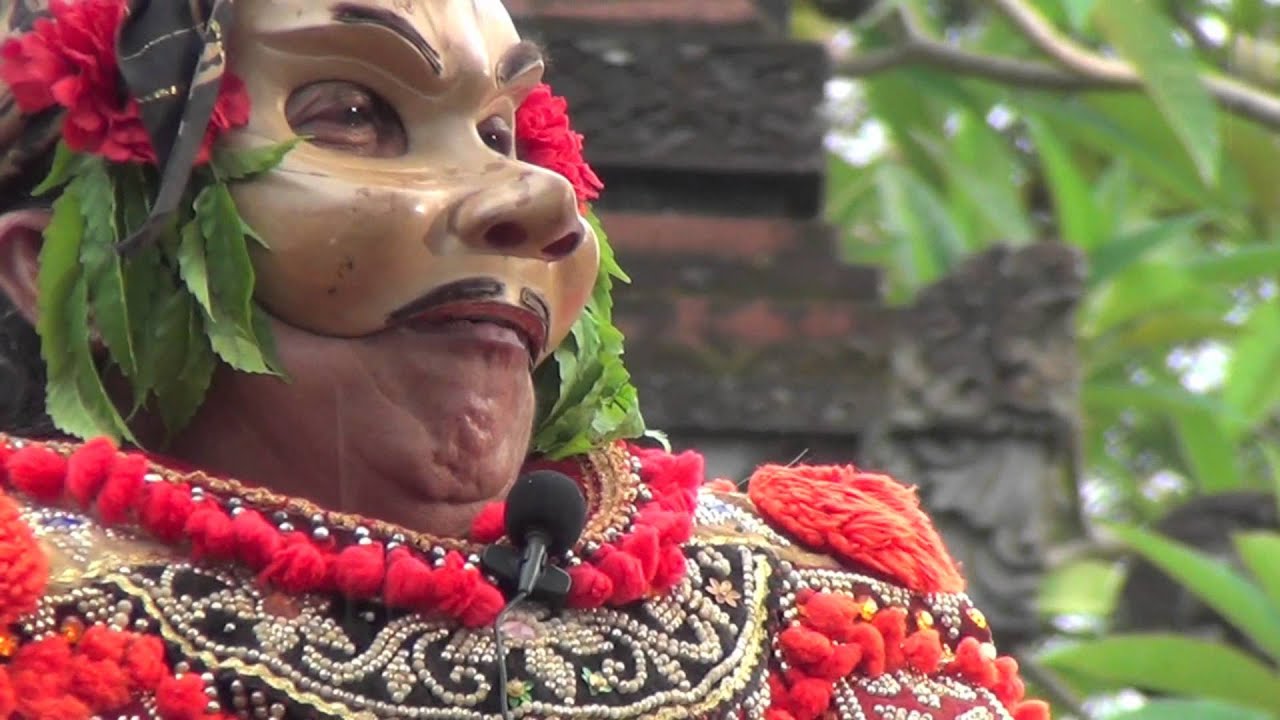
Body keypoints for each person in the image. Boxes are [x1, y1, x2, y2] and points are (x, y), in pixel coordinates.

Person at [0, 1, 1050, 719]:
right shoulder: (34, 605)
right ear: (69, 271)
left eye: (503, 134)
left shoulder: (825, 607)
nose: (533, 199)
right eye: (355, 115)